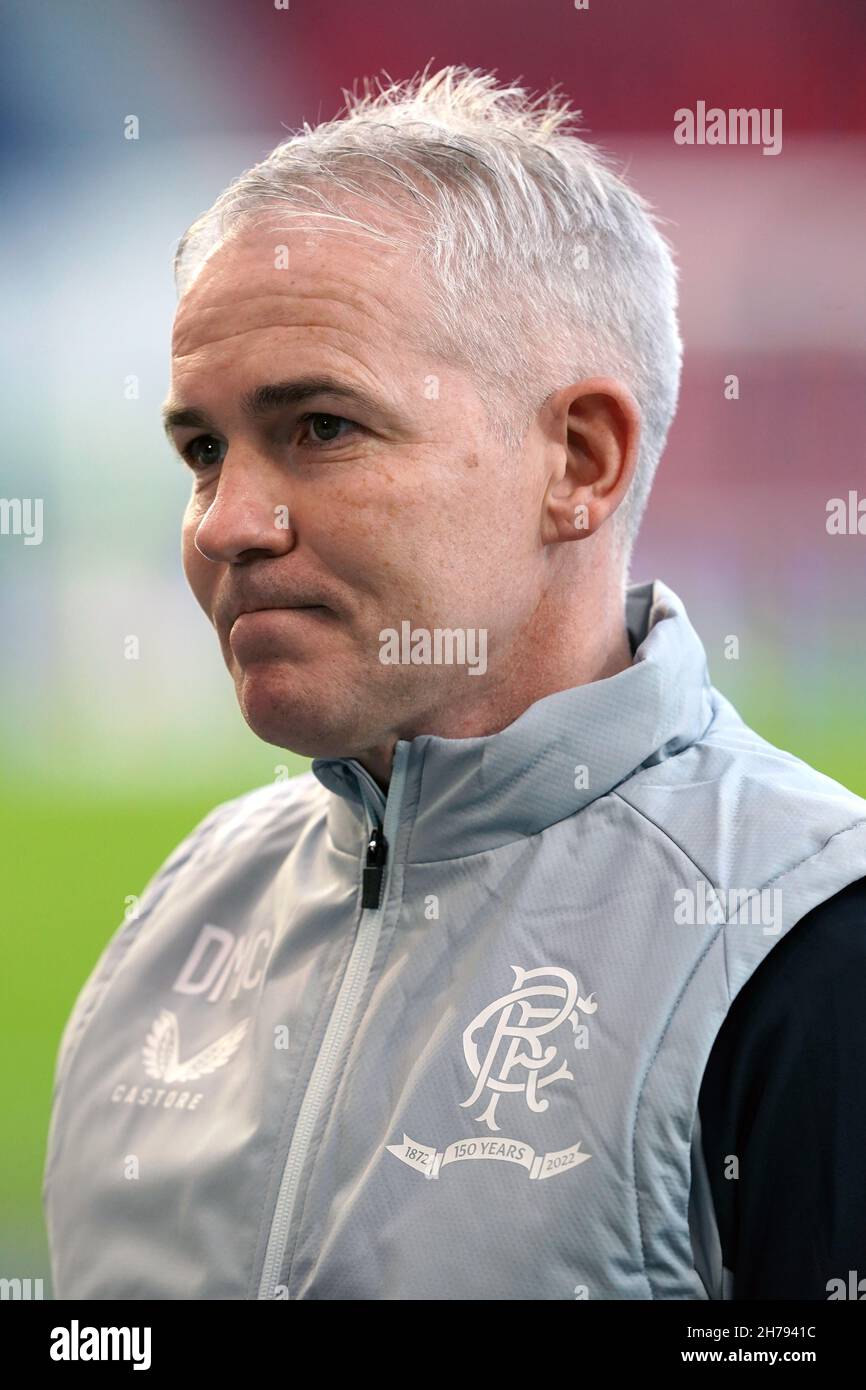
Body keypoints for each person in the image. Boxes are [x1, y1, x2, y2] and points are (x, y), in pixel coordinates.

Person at [44, 65, 866, 1301]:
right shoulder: (174, 926)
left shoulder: (807, 949)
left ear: (578, 461)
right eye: (203, 450)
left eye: (320, 426)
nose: (225, 524)